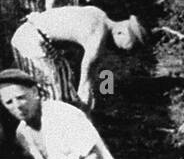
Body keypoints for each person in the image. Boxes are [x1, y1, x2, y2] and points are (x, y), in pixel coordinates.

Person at [11, 6, 147, 109]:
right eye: (124, 47)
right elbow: (85, 82)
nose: (119, 51)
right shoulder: (98, 37)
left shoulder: (98, 13)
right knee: (54, 96)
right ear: (120, 31)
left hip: (36, 36)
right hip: (31, 41)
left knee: (65, 79)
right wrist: (86, 105)